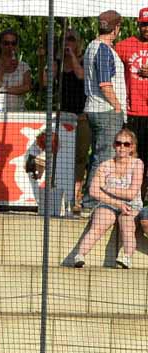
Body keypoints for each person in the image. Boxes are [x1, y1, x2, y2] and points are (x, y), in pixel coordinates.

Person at [73, 127, 143, 270]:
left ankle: (127, 257)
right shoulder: (105, 165)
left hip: (132, 205)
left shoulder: (137, 164)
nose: (121, 147)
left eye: (126, 144)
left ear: (132, 147)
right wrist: (116, 203)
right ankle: (80, 255)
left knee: (127, 223)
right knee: (99, 223)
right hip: (109, 204)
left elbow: (131, 193)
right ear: (113, 145)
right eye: (118, 143)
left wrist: (108, 188)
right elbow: (93, 190)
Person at [39, 29, 90, 212]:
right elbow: (45, 82)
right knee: (60, 156)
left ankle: (76, 195)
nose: (68, 42)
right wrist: (46, 60)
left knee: (80, 156)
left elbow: (81, 76)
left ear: (78, 43)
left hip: (81, 117)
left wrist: (72, 57)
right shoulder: (57, 63)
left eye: (72, 39)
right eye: (65, 39)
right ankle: (61, 193)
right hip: (62, 117)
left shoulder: (84, 60)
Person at [83, 11, 126, 207]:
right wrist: (117, 106)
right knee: (105, 156)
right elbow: (104, 83)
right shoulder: (103, 49)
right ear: (116, 29)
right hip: (105, 109)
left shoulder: (92, 47)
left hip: (95, 108)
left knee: (98, 154)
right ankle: (93, 201)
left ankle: (93, 198)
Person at [115, 8, 148, 197]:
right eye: (144, 24)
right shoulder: (125, 45)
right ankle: (132, 198)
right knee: (131, 160)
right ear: (138, 24)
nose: (146, 28)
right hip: (132, 111)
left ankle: (142, 201)